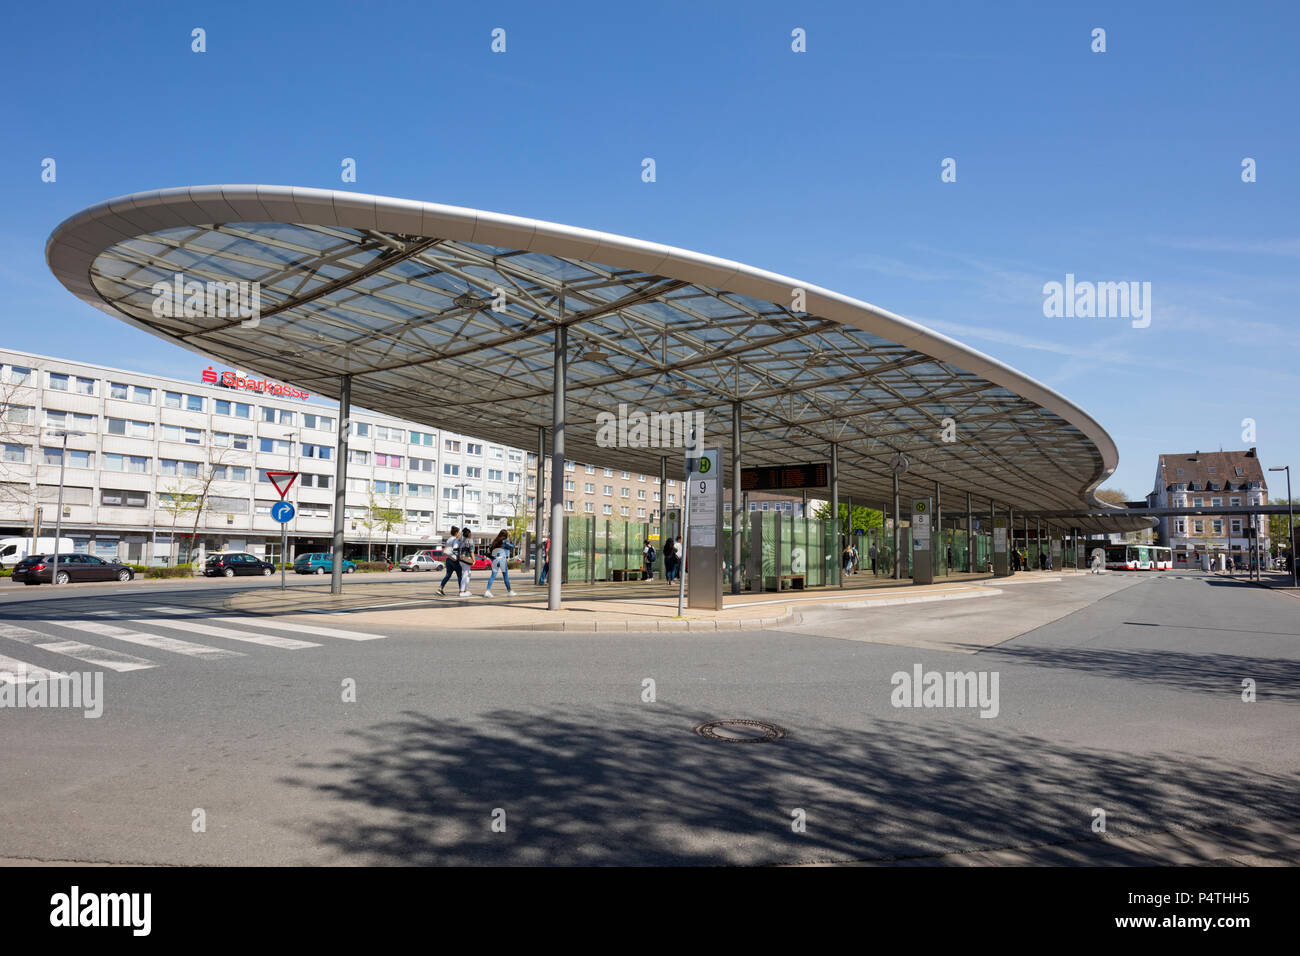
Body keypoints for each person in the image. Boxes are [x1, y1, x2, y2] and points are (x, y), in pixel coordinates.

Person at [483, 529, 517, 598]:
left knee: (492, 576)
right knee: (505, 577)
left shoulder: (495, 541)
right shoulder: (504, 542)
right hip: (502, 560)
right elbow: (513, 546)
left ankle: (487, 591)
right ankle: (510, 591)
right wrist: (511, 539)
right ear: (505, 535)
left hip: (495, 560)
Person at [437, 526, 463, 596]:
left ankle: (440, 588)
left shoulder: (448, 539)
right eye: (459, 532)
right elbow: (455, 549)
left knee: (448, 575)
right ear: (456, 533)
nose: (459, 533)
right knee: (460, 576)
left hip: (448, 559)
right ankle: (461, 591)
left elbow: (447, 549)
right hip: (454, 560)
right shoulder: (456, 540)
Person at [457, 527, 476, 597]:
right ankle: (462, 591)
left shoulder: (461, 540)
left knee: (468, 574)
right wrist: (474, 560)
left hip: (461, 560)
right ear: (469, 534)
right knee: (465, 575)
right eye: (470, 533)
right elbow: (472, 551)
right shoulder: (470, 540)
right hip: (466, 560)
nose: (471, 534)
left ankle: (467, 590)